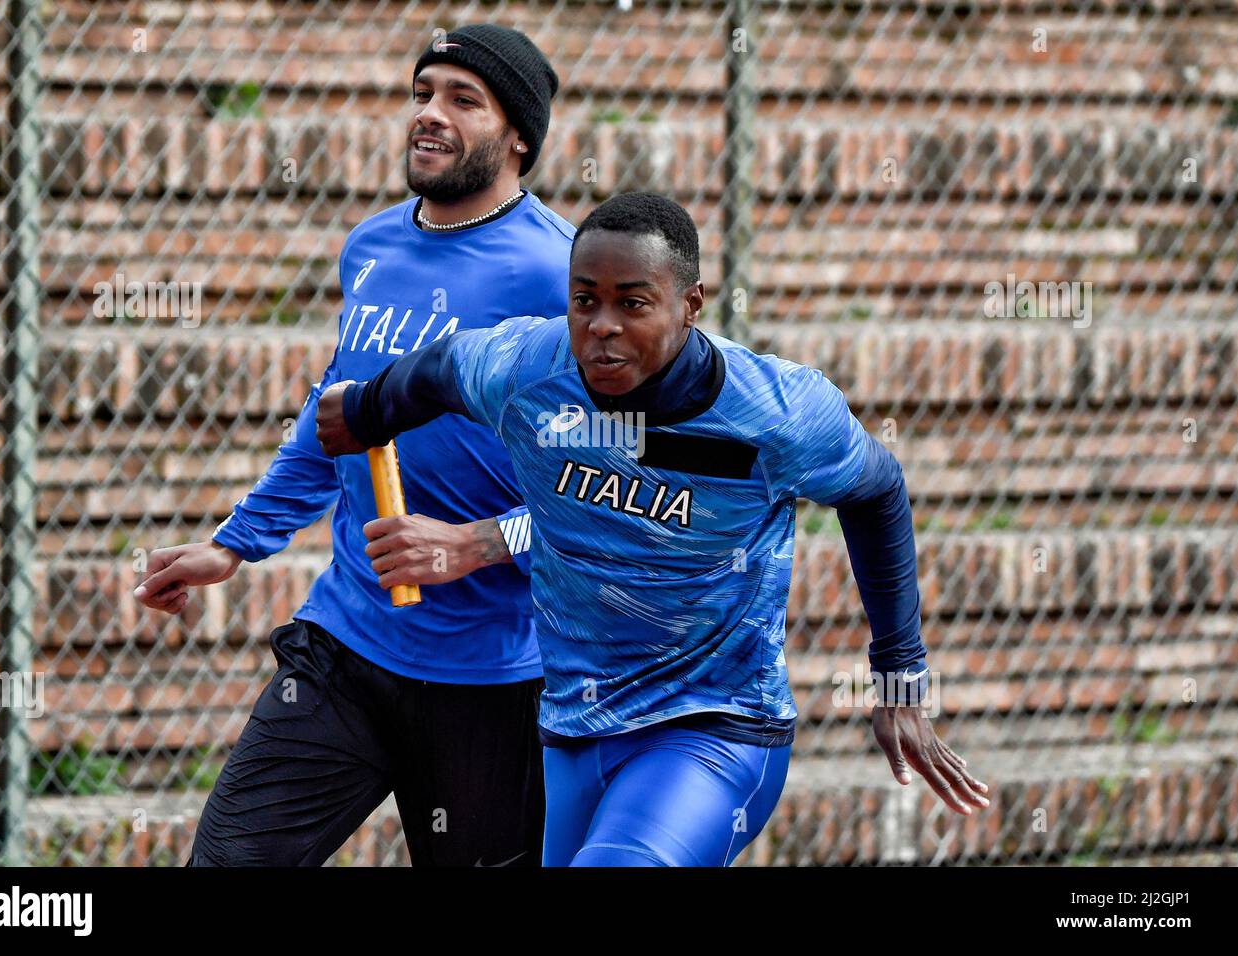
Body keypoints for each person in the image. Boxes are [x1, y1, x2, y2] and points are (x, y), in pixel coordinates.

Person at [316, 191, 992, 866]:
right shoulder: (527, 369)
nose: (601, 326)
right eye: (585, 301)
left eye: (632, 304)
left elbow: (878, 490)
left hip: (714, 730)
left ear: (690, 306)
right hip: (573, 729)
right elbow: (437, 371)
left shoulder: (774, 413)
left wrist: (899, 680)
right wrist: (368, 410)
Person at [132, 24, 575, 867]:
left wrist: (473, 546)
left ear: (520, 136)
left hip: (493, 677)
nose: (428, 115)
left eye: (461, 100)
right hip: (347, 646)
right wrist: (236, 543)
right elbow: (333, 416)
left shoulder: (558, 275)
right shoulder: (371, 247)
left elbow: (613, 487)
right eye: (421, 93)